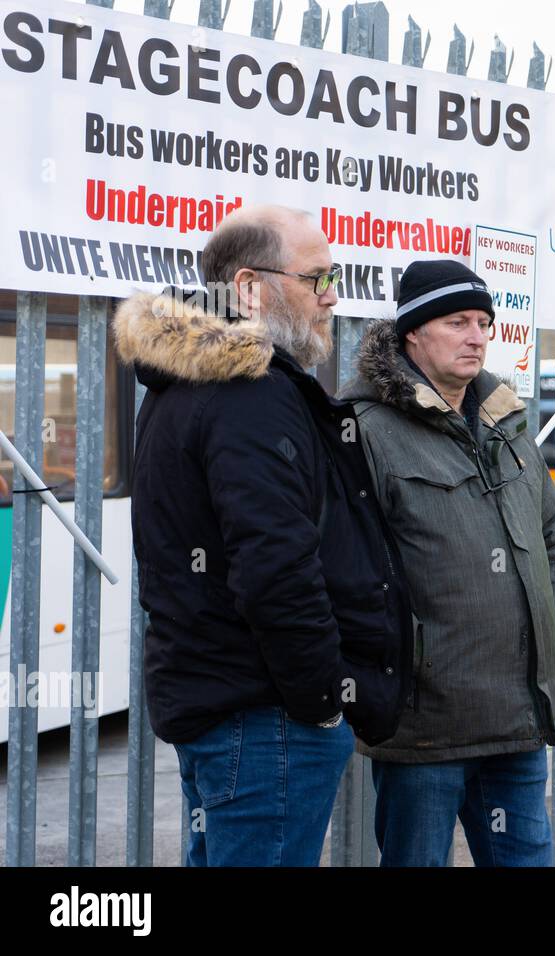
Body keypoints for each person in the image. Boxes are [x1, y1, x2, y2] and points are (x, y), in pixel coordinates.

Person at [114, 205, 412, 866]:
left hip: (235, 711)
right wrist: (320, 702)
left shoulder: (185, 385)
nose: (332, 294)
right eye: (315, 278)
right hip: (268, 716)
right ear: (249, 287)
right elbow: (274, 565)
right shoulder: (248, 390)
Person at [338, 260, 555, 867]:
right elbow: (348, 569)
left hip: (519, 716)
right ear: (412, 334)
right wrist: (399, 665)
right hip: (425, 727)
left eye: (483, 322)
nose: (477, 336)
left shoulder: (506, 421)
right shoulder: (363, 429)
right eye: (457, 322)